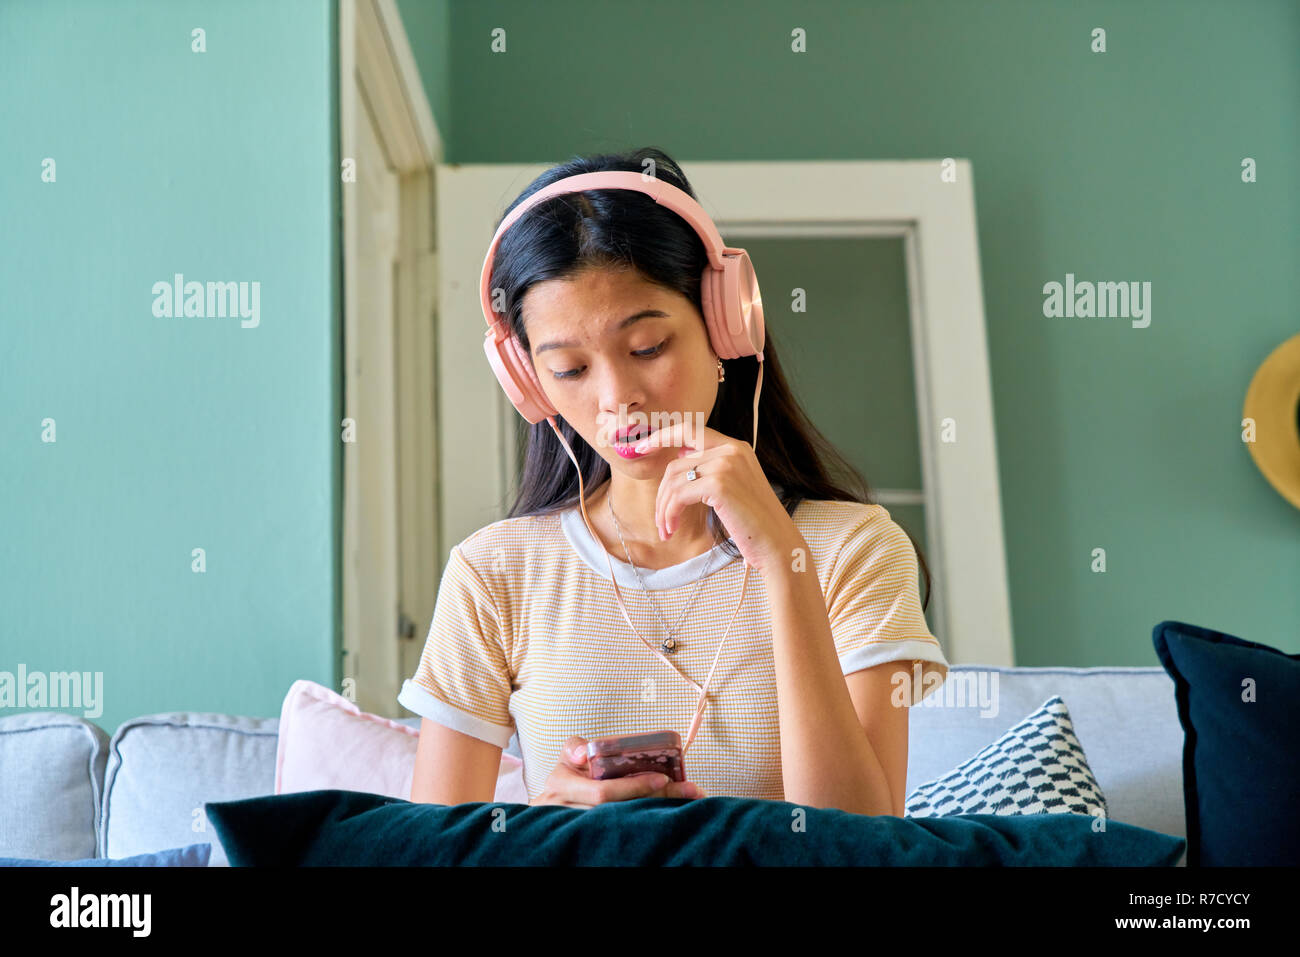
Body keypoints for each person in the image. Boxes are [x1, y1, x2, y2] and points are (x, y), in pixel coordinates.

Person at [402, 147, 948, 814]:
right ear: (529, 385)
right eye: (571, 368)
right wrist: (544, 826)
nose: (617, 397)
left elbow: (861, 842)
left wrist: (783, 558)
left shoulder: (854, 550)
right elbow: (431, 852)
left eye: (647, 349)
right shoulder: (493, 573)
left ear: (726, 327)